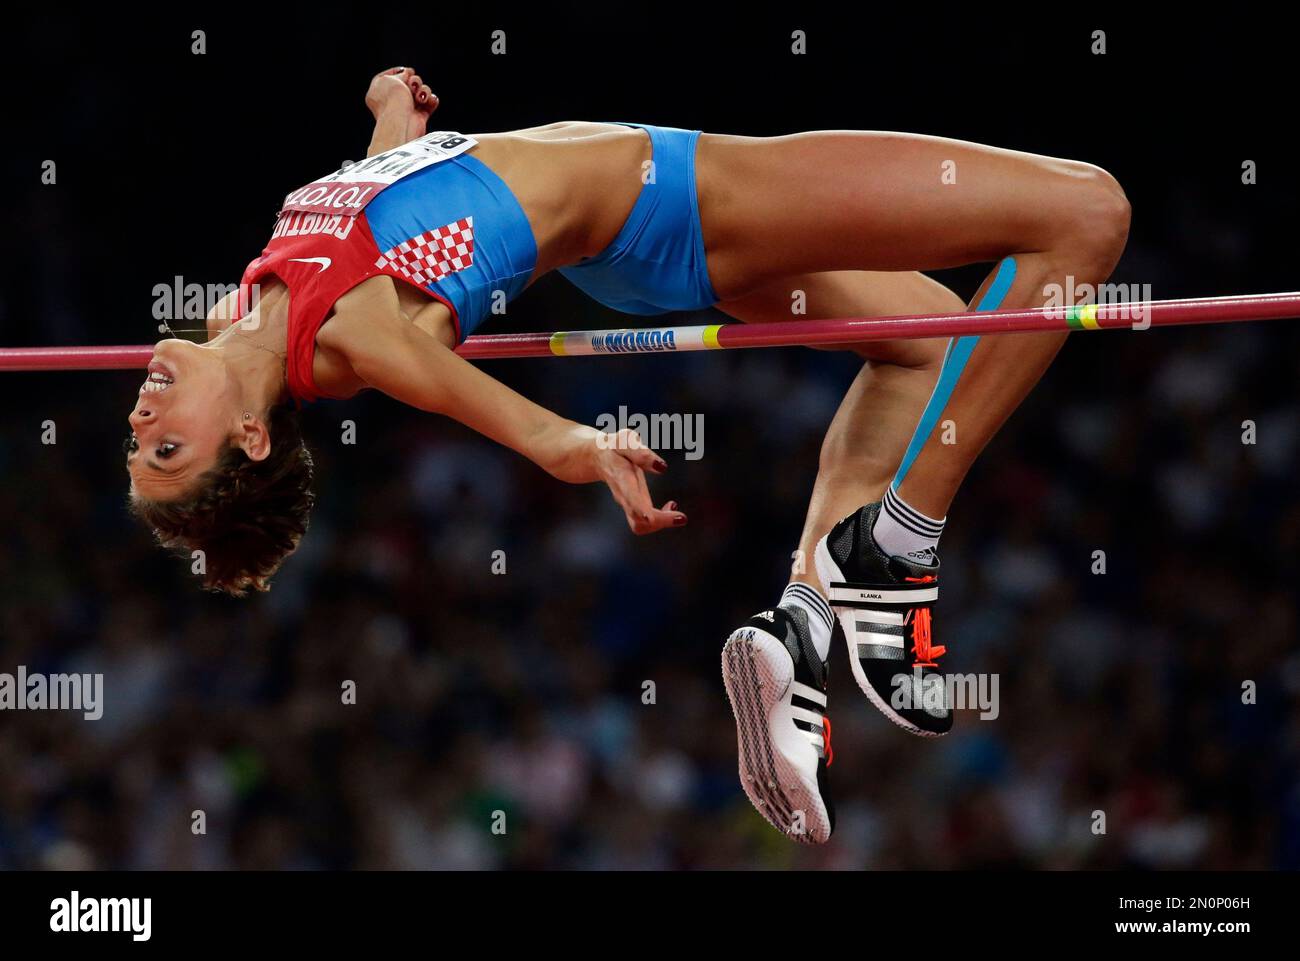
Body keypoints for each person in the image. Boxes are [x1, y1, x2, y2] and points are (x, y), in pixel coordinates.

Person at [124, 66, 1130, 844]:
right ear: (251, 436)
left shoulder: (250, 308)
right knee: (1087, 213)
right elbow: (436, 375)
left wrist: (393, 120)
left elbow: (384, 207)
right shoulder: (343, 340)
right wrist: (569, 441)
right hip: (676, 198)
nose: (140, 417)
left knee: (930, 344)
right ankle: (899, 546)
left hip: (631, 240)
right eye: (167, 448)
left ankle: (805, 629)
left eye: (139, 443)